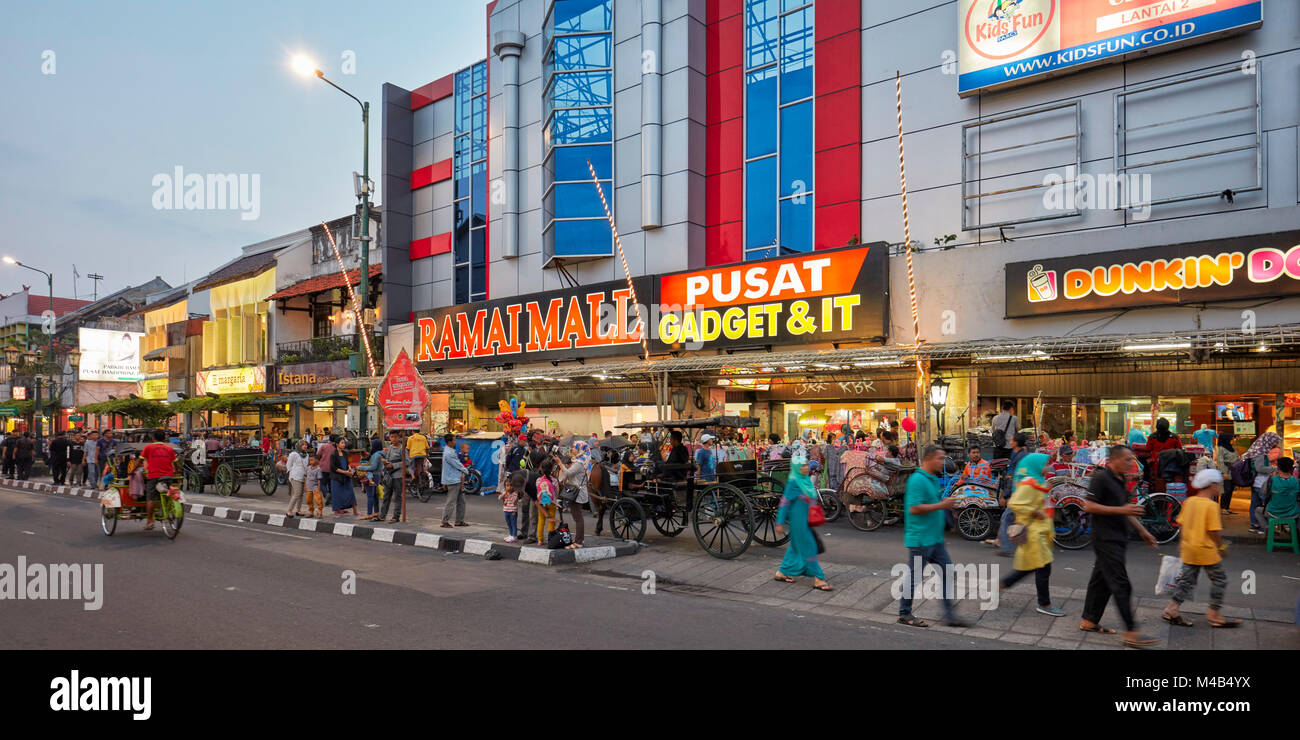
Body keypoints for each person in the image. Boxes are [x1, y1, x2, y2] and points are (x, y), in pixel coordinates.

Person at [1080, 444, 1159, 648]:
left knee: (1101, 581)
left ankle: (1089, 620)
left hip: (1117, 537)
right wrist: (1121, 510)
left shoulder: (1121, 479)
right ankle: (1131, 632)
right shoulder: (1101, 478)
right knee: (1121, 584)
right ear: (1114, 459)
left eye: (1131, 459)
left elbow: (1126, 510)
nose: (1131, 463)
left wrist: (1143, 531)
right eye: (1127, 459)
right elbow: (1088, 505)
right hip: (1105, 539)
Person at [1162, 468, 1242, 628]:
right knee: (1219, 579)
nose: (1220, 487)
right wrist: (1222, 547)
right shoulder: (1211, 506)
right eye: (1218, 484)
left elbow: (1182, 525)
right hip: (1206, 550)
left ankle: (1172, 609)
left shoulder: (1190, 501)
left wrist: (1181, 544)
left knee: (1187, 581)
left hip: (1189, 548)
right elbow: (1213, 532)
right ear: (1212, 485)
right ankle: (1214, 613)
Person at [898, 445, 968, 628]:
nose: (943, 462)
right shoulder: (917, 480)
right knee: (914, 577)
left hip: (935, 539)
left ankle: (949, 615)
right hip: (921, 539)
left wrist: (944, 507)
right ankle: (904, 613)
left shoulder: (932, 479)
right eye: (940, 458)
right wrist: (942, 506)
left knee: (947, 572)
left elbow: (935, 504)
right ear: (928, 459)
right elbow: (914, 508)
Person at [999, 452, 1065, 617]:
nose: (1048, 467)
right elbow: (1014, 503)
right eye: (1045, 464)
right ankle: (1045, 604)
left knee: (1030, 567)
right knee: (1042, 568)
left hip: (1040, 533)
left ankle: (1002, 585)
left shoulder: (1038, 482)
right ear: (1036, 466)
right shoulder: (1029, 484)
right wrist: (1034, 511)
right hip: (1034, 534)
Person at [772, 453, 832, 591]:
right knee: (809, 548)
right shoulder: (794, 483)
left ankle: (782, 572)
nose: (806, 467)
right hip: (798, 523)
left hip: (806, 521)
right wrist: (779, 523)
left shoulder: (804, 480)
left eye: (806, 464)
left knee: (795, 549)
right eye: (803, 465)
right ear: (797, 468)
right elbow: (784, 503)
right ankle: (818, 578)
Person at [992, 432, 1029, 554]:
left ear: (1016, 442)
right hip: (1021, 492)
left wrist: (1007, 494)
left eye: (1012, 439)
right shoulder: (1018, 454)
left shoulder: (1020, 456)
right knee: (1016, 519)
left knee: (1007, 518)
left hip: (1018, 492)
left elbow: (1013, 477)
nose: (1010, 441)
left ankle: (1006, 547)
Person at [1245, 431, 1282, 535]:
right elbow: (1260, 468)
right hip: (1260, 483)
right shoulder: (1260, 452)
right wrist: (1273, 468)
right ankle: (1265, 528)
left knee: (1255, 504)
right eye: (1273, 442)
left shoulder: (1257, 449)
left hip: (1257, 483)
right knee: (1266, 505)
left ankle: (1254, 525)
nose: (1273, 444)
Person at [139, 429, 178, 531]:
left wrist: (132, 471)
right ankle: (166, 509)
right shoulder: (169, 448)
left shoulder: (148, 447)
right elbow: (176, 462)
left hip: (153, 476)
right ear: (164, 438)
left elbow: (140, 460)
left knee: (150, 498)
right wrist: (177, 471)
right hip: (168, 476)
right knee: (168, 492)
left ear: (153, 438)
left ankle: (150, 521)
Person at [559, 449, 590, 548]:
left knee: (578, 517)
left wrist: (559, 463)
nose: (572, 449)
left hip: (577, 493)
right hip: (577, 492)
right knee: (577, 517)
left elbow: (567, 473)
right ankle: (579, 540)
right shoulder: (579, 462)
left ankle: (578, 542)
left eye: (575, 448)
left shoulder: (578, 464)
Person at [1144, 417, 1183, 494]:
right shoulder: (1174, 437)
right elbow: (1179, 449)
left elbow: (1148, 449)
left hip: (1156, 465)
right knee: (1169, 484)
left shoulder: (1152, 437)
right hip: (1171, 465)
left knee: (1156, 484)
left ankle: (1157, 499)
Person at [1263, 457, 1298, 533]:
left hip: (1273, 512)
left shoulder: (1272, 480)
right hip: (1292, 513)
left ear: (1278, 467)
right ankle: (1290, 529)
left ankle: (1271, 529)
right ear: (1291, 468)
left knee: (1257, 511)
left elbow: (1263, 492)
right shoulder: (1296, 481)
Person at [440, 433, 468, 528]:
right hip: (453, 480)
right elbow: (457, 464)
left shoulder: (450, 451)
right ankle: (444, 521)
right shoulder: (449, 453)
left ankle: (459, 520)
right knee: (451, 501)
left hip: (456, 478)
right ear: (450, 442)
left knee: (461, 501)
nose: (455, 442)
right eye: (454, 440)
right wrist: (465, 470)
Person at [378, 433, 406, 523]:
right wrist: (385, 462)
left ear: (399, 437)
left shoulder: (402, 449)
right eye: (392, 437)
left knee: (397, 497)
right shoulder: (390, 447)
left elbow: (407, 462)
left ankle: (396, 516)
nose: (393, 439)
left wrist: (393, 465)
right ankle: (382, 515)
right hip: (389, 475)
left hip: (397, 476)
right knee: (386, 496)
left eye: (395, 437)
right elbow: (388, 459)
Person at [355, 439, 384, 521]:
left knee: (370, 495)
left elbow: (372, 467)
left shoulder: (375, 455)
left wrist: (360, 467)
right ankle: (376, 512)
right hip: (377, 476)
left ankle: (369, 513)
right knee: (374, 495)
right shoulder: (380, 454)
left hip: (371, 476)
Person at [280, 440, 309, 518]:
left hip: (303, 476)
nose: (305, 446)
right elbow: (288, 465)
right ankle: (289, 510)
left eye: (306, 445)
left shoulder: (306, 455)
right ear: (299, 446)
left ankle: (298, 510)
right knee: (297, 494)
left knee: (301, 495)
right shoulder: (294, 454)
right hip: (295, 476)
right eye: (303, 445)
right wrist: (292, 473)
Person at [535, 456, 560, 544]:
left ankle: (540, 540)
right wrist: (554, 499)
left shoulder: (538, 480)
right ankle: (550, 539)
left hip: (541, 502)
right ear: (552, 469)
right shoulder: (554, 481)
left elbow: (537, 490)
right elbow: (557, 492)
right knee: (551, 521)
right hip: (551, 502)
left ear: (541, 469)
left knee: (541, 521)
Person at [330, 438, 357, 516]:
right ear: (337, 444)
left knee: (350, 493)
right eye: (342, 443)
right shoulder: (333, 454)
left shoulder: (345, 453)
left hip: (346, 476)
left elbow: (347, 463)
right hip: (337, 477)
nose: (344, 444)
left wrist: (349, 468)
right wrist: (345, 472)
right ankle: (337, 510)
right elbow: (333, 468)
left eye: (344, 443)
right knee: (337, 494)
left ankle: (355, 510)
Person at [1215, 432, 1238, 514]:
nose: (1233, 440)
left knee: (1231, 489)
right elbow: (1220, 461)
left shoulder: (1232, 448)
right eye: (1232, 439)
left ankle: (1227, 507)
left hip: (1233, 471)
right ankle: (1222, 507)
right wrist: (1223, 472)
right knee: (1226, 489)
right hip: (1226, 471)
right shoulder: (1220, 448)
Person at [501, 470, 524, 542]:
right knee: (509, 523)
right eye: (507, 486)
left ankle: (514, 536)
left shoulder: (515, 493)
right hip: (506, 510)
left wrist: (516, 497)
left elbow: (516, 500)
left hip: (513, 511)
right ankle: (511, 535)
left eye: (511, 485)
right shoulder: (505, 493)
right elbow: (501, 498)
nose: (509, 487)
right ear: (505, 487)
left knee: (513, 523)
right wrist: (503, 499)